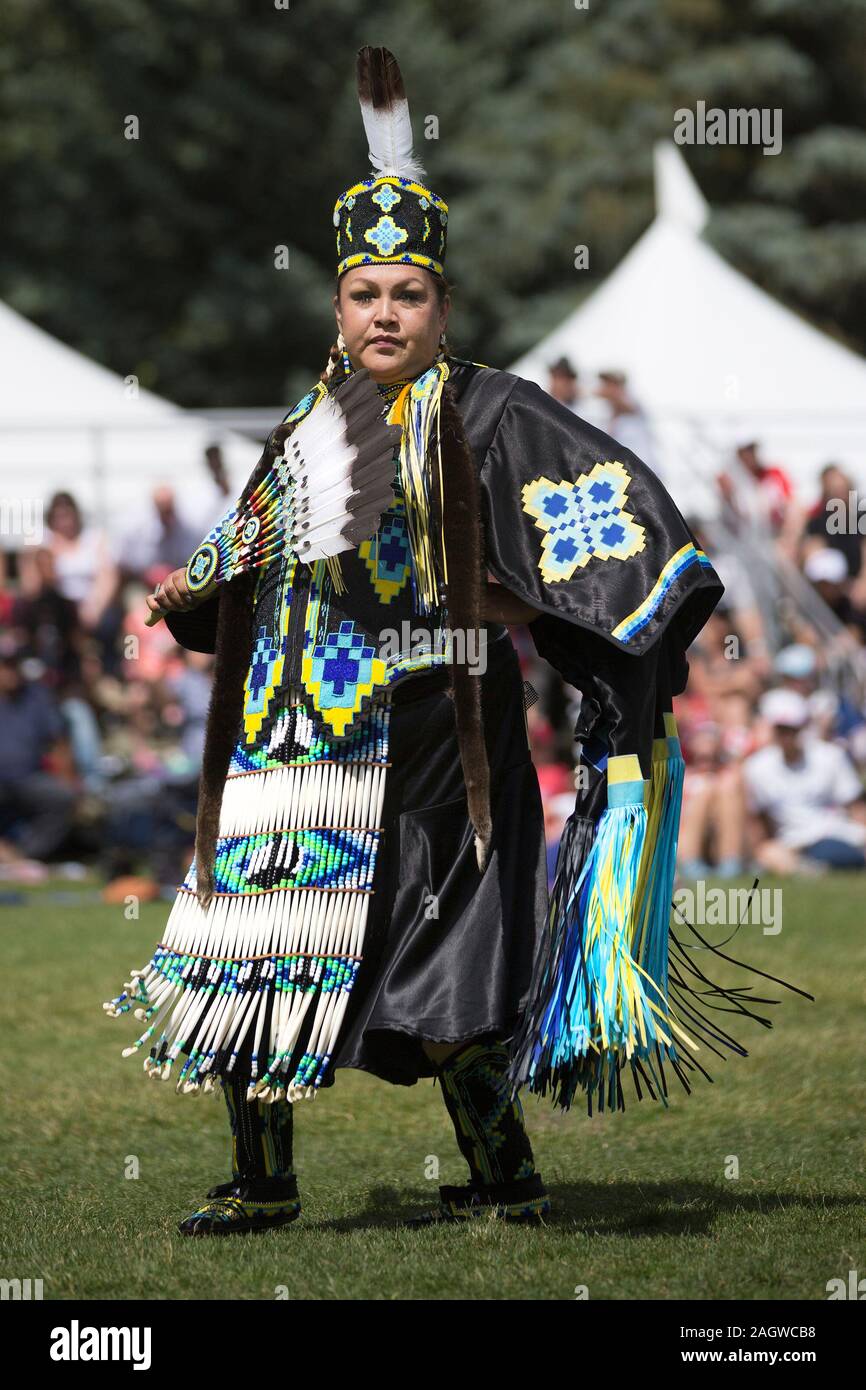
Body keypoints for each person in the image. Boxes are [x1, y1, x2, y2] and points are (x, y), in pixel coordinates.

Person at [104, 46, 798, 1239]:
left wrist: (525, 602)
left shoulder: (494, 410)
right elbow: (248, 547)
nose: (385, 314)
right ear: (335, 306)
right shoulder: (307, 426)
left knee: (458, 981)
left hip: (444, 752)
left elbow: (617, 515)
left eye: (407, 295)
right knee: (256, 949)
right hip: (299, 741)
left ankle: (503, 1173)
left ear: (443, 306)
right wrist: (174, 599)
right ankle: (262, 1179)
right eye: (364, 295)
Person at [744, 689, 866, 874]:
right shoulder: (756, 767)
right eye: (782, 729)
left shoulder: (831, 756)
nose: (787, 736)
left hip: (836, 832)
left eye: (792, 730)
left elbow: (855, 807)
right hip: (793, 842)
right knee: (769, 853)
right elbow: (758, 821)